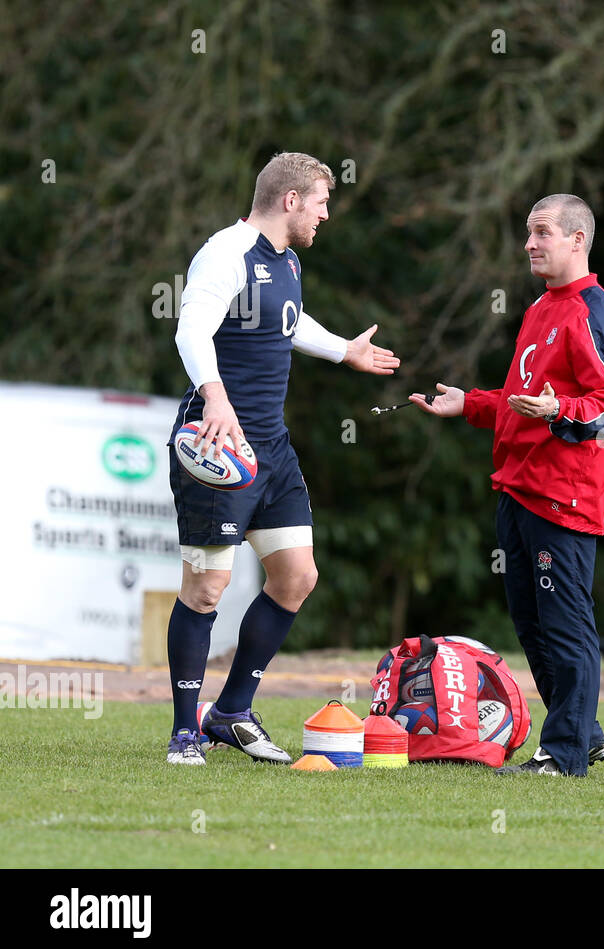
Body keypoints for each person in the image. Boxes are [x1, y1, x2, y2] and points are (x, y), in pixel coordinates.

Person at [165, 152, 400, 765]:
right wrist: (215, 400)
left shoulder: (287, 261)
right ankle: (184, 731)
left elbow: (286, 325)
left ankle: (231, 711)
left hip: (272, 449)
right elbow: (190, 330)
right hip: (220, 446)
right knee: (207, 588)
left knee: (297, 578)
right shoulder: (226, 252)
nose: (326, 213)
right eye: (321, 201)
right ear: (290, 200)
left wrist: (343, 349)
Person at [410, 193, 604, 777]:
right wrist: (471, 404)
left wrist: (559, 408)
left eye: (542, 233)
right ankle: (584, 732)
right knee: (531, 626)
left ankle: (563, 755)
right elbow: (521, 401)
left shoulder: (595, 312)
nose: (529, 244)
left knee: (566, 626)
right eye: (528, 233)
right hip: (517, 489)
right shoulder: (540, 310)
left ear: (577, 239)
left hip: (564, 496)